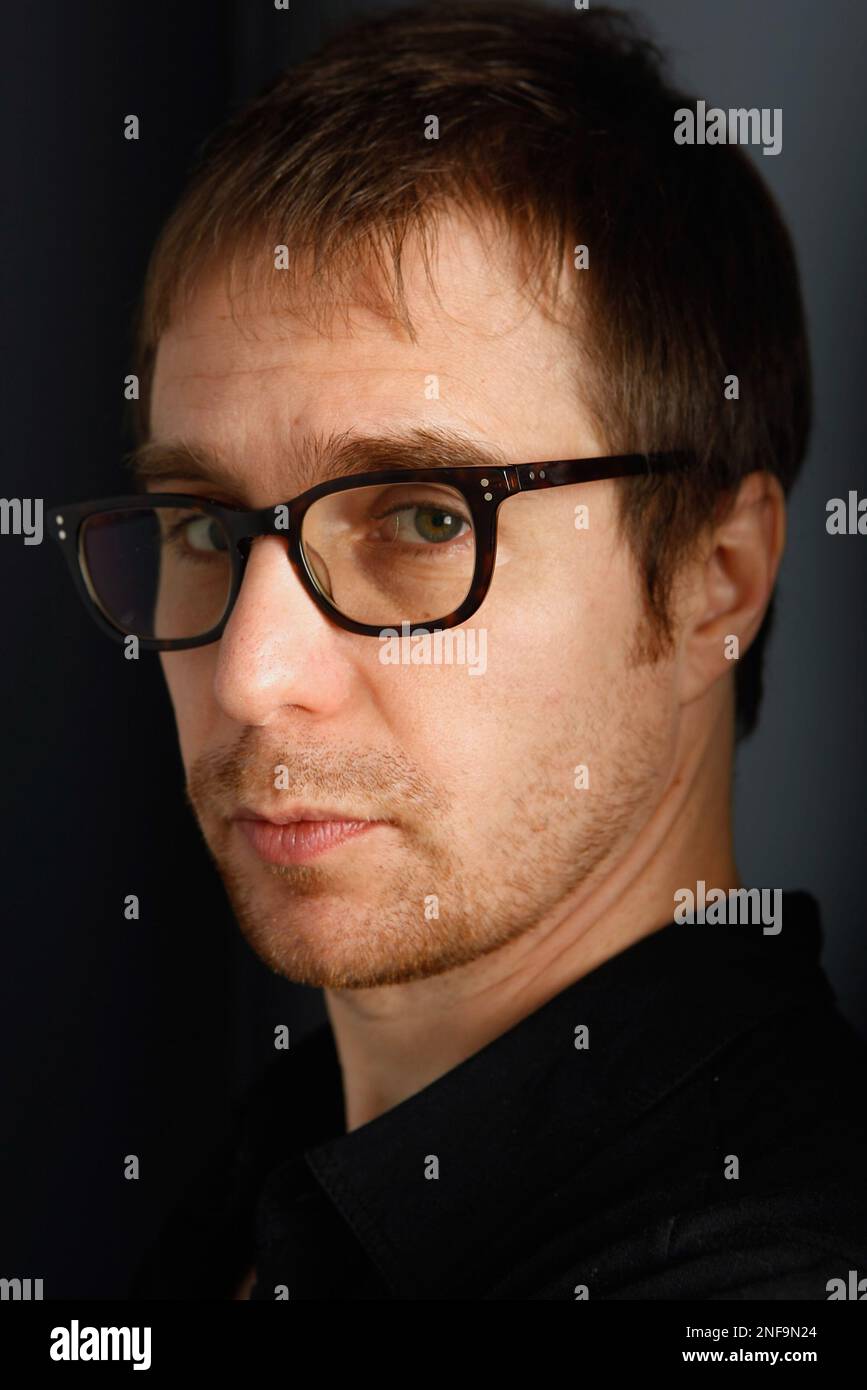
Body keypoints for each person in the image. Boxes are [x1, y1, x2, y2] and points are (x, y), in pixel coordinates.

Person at [51, 1, 867, 1299]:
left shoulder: (769, 1280)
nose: (255, 675)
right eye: (206, 523)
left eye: (426, 518)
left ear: (718, 580)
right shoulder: (283, 1181)